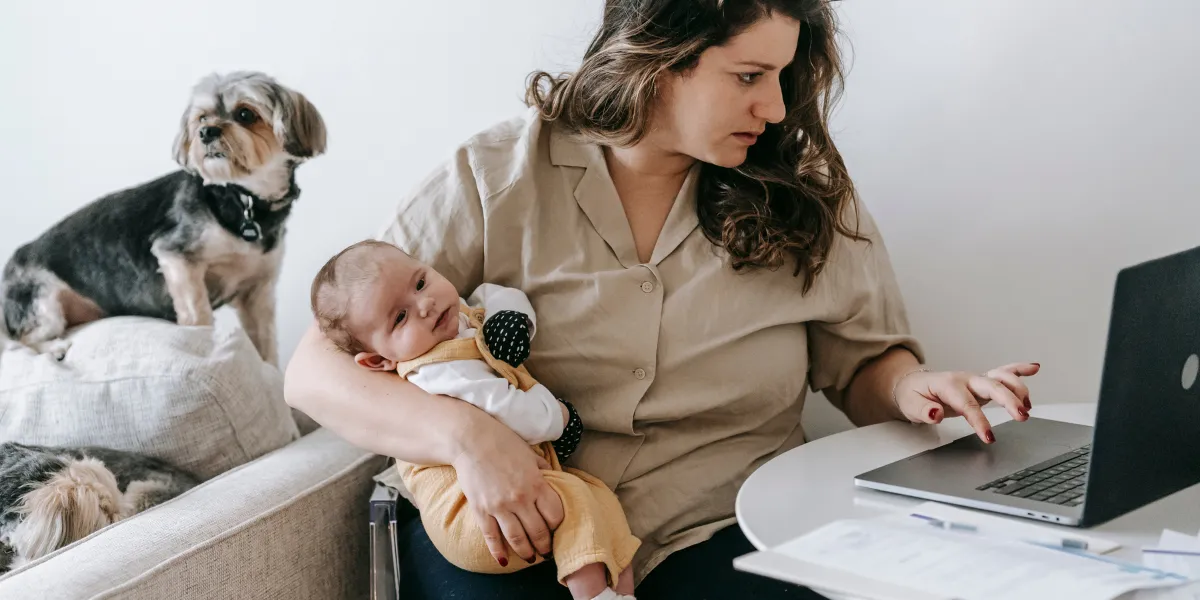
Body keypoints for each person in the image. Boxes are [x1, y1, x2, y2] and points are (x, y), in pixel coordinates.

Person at [284, 1, 1039, 598]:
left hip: (724, 525)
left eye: (782, 77)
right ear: (659, 57)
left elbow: (863, 364)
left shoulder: (803, 193)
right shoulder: (496, 175)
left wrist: (914, 389)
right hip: (514, 522)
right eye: (749, 76)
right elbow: (316, 372)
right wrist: (466, 437)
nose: (777, 108)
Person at [308, 239, 640, 600]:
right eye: (400, 317)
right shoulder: (437, 371)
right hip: (471, 516)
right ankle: (592, 595)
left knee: (600, 499)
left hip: (513, 490)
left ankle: (622, 591)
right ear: (379, 361)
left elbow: (494, 294)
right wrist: (558, 416)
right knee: (575, 501)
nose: (425, 304)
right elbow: (516, 415)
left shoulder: (457, 317)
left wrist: (512, 320)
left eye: (420, 282)